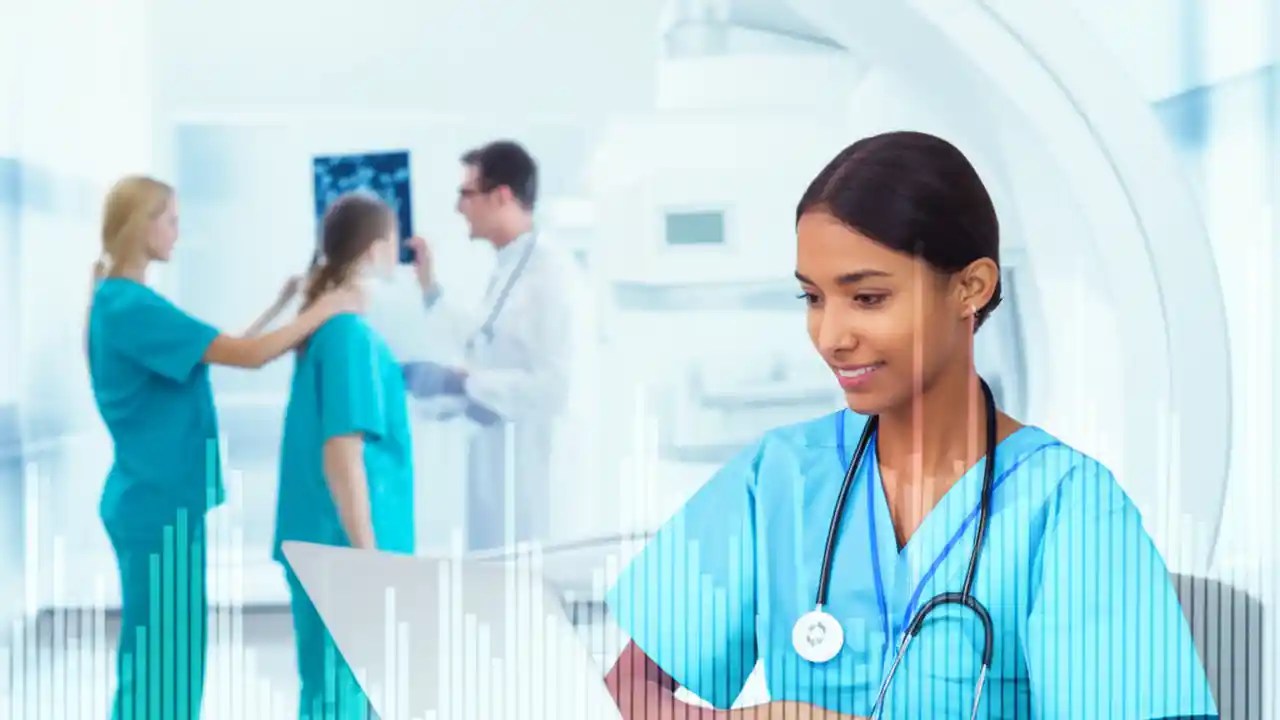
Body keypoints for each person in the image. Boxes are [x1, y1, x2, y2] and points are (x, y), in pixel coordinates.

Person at [602, 132, 1217, 719]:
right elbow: (628, 686)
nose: (832, 337)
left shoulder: (1067, 507)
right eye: (812, 298)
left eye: (867, 298)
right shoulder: (778, 477)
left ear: (970, 288)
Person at [86, 175, 362, 720]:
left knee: (167, 654)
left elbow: (219, 348)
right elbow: (250, 355)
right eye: (171, 221)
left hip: (157, 500)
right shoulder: (130, 307)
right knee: (162, 662)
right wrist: (329, 307)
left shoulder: (122, 302)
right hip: (156, 505)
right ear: (142, 226)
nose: (177, 234)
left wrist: (284, 304)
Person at [403, 139, 594, 551]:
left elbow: (556, 388)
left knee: (526, 594)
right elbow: (486, 340)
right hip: (499, 470)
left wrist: (463, 384)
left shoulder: (552, 276)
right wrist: (430, 290)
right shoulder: (512, 266)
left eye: (466, 194)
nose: (459, 207)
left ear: (502, 196)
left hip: (533, 481)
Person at [273, 191, 416, 720]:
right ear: (379, 250)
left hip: (326, 547)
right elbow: (341, 454)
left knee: (333, 695)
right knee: (344, 698)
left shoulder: (330, 332)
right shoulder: (349, 335)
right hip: (343, 551)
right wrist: (368, 556)